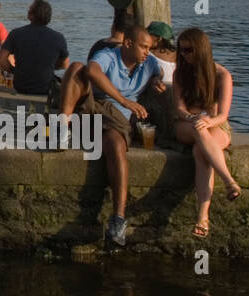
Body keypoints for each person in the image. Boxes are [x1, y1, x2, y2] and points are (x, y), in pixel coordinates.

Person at [55, 24, 166, 247]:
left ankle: (118, 219)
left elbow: (160, 72)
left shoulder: (150, 63)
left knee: (116, 147)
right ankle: (62, 127)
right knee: (77, 66)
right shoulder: (108, 55)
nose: (147, 52)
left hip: (116, 120)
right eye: (143, 47)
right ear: (127, 43)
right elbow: (92, 71)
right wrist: (124, 100)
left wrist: (155, 81)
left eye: (150, 48)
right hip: (94, 106)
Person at [171, 27, 241, 238]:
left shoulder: (222, 76)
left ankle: (203, 216)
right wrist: (194, 118)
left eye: (189, 50)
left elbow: (223, 116)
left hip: (216, 125)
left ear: (201, 49)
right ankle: (229, 181)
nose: (184, 55)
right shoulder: (179, 74)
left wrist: (208, 120)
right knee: (198, 130)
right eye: (181, 50)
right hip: (186, 124)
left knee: (201, 153)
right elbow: (179, 108)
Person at [0, 0, 69, 95]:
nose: (28, 10)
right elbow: (65, 65)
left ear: (32, 15)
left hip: (21, 87)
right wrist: (48, 66)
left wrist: (15, 71)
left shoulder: (16, 34)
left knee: (21, 108)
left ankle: (21, 110)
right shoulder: (59, 38)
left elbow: (1, 60)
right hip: (45, 87)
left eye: (30, 9)